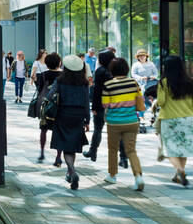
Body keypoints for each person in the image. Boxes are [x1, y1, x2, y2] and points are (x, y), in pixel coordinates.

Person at [156, 54, 193, 187]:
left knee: (169, 149)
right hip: (187, 120)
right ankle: (179, 174)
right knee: (183, 148)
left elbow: (161, 102)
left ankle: (180, 170)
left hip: (169, 120)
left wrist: (156, 102)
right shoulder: (190, 81)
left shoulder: (164, 82)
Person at [45, 54, 91, 190]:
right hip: (78, 116)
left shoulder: (60, 81)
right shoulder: (84, 83)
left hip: (62, 115)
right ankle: (70, 173)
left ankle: (72, 171)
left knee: (65, 145)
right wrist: (87, 120)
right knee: (72, 146)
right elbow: (86, 103)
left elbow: (49, 96)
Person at [102, 57, 145, 191]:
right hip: (132, 121)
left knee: (113, 149)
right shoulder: (133, 82)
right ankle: (138, 176)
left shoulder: (108, 84)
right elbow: (139, 99)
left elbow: (105, 104)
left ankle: (112, 175)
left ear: (112, 70)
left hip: (114, 122)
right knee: (131, 150)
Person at [33, 52, 64, 165]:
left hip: (45, 104)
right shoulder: (64, 75)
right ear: (59, 63)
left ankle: (42, 152)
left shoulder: (43, 74)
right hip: (60, 105)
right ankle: (58, 156)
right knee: (59, 131)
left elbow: (40, 88)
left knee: (43, 129)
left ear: (46, 63)